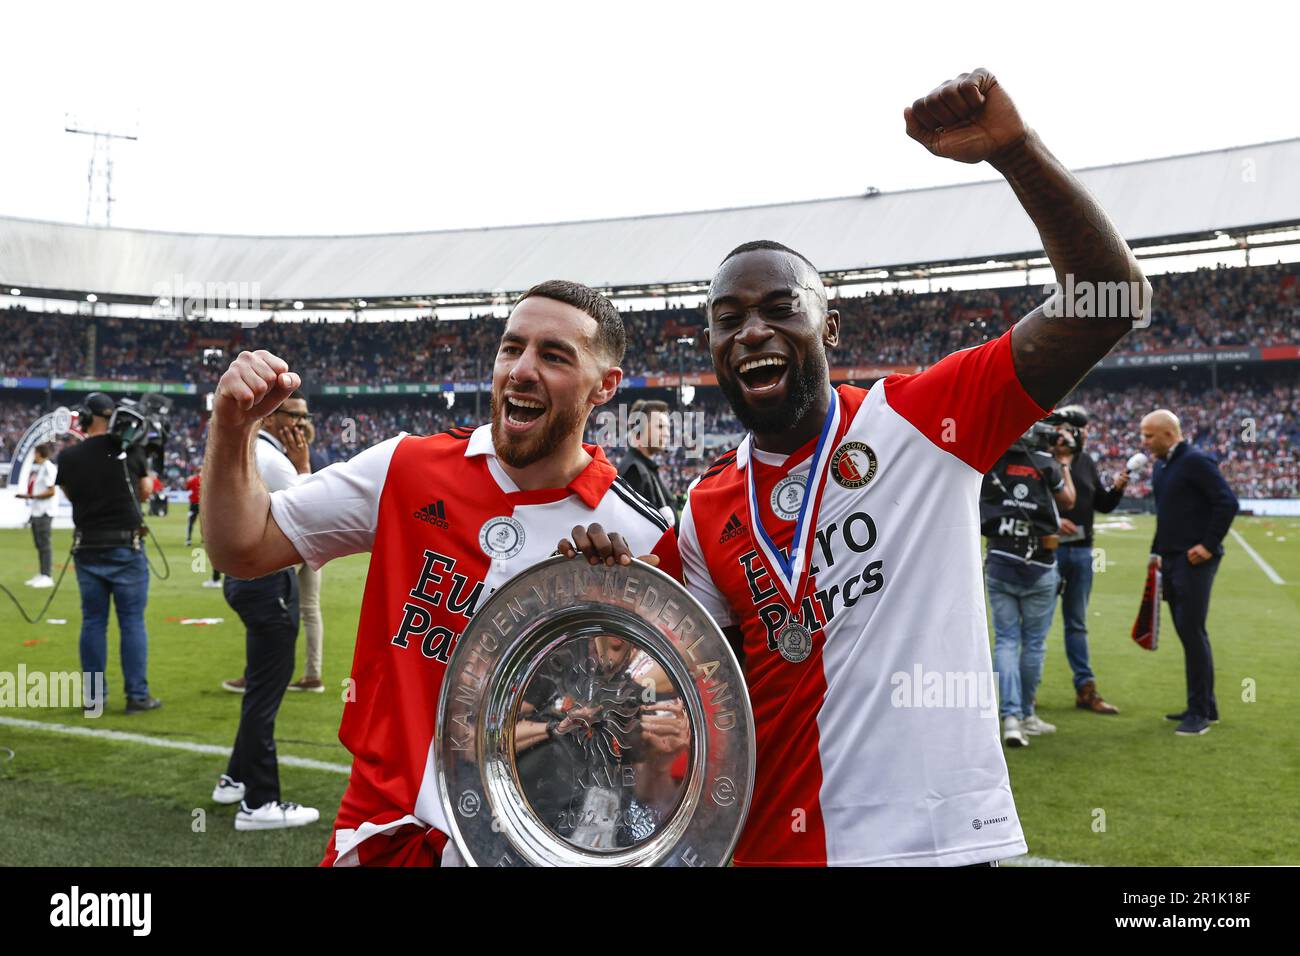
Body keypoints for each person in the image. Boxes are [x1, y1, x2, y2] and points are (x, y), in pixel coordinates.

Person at [565, 67, 1151, 865]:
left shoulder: (919, 421)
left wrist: (1016, 152)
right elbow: (652, 663)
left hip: (933, 843)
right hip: (773, 844)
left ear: (827, 326)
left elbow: (1109, 299)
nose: (752, 332)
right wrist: (602, 586)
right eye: (727, 320)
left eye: (781, 309)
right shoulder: (705, 511)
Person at [201, 279, 679, 864]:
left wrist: (613, 635)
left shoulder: (641, 536)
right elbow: (241, 547)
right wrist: (233, 426)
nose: (522, 370)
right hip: (383, 831)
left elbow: (662, 736)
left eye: (554, 356)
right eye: (512, 348)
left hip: (537, 845)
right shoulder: (406, 468)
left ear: (605, 386)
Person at [210, 389, 319, 830]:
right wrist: (306, 462)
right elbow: (312, 511)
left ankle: (234, 778)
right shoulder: (272, 458)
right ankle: (259, 803)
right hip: (266, 586)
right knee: (265, 695)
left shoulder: (255, 450)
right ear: (272, 419)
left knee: (259, 686)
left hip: (247, 583)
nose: (303, 423)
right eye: (295, 414)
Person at [54, 392, 161, 714]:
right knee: (131, 622)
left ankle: (94, 698)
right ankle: (137, 696)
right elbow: (144, 491)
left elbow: (71, 496)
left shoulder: (69, 457)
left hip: (87, 547)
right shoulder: (128, 449)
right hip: (125, 545)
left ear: (87, 418)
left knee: (93, 622)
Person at [1141, 408, 1238, 737]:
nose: (1144, 442)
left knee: (1192, 632)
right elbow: (1166, 515)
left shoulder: (1196, 461)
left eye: (1149, 435)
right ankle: (1203, 705)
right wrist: (1156, 551)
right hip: (1170, 560)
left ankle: (1200, 714)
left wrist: (1208, 545)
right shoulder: (1162, 466)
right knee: (1187, 633)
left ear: (1169, 434)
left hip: (1194, 561)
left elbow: (1227, 502)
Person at [981, 426, 1075, 747]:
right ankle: (1026, 713)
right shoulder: (1046, 463)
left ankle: (1009, 718)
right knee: (1033, 643)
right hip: (1039, 564)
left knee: (1006, 641)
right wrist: (1063, 460)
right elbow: (1068, 501)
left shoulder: (991, 460)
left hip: (1000, 559)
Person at [1052, 406, 1127, 714]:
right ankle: (1025, 696)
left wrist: (1117, 490)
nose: (1078, 434)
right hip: (1050, 550)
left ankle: (1086, 689)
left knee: (1077, 623)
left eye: (1081, 429)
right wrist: (1053, 521)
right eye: (1072, 428)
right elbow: (1027, 504)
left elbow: (1102, 505)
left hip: (1082, 551)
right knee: (1036, 626)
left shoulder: (1087, 462)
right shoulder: (1042, 460)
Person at [287, 417, 328, 693]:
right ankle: (313, 673)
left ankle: (266, 672)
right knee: (310, 610)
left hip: (287, 540)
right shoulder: (320, 456)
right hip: (314, 542)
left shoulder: (282, 456)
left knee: (276, 609)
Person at [617, 399, 677, 529]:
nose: (667, 434)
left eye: (667, 428)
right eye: (660, 427)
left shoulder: (643, 468)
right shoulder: (635, 470)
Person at [17, 442, 57, 588]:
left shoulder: (48, 468)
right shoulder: (42, 468)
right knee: (40, 544)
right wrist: (29, 496)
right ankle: (42, 573)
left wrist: (32, 497)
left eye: (35, 453)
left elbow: (51, 491)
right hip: (38, 511)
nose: (34, 456)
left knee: (44, 545)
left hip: (44, 512)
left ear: (40, 453)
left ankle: (47, 576)